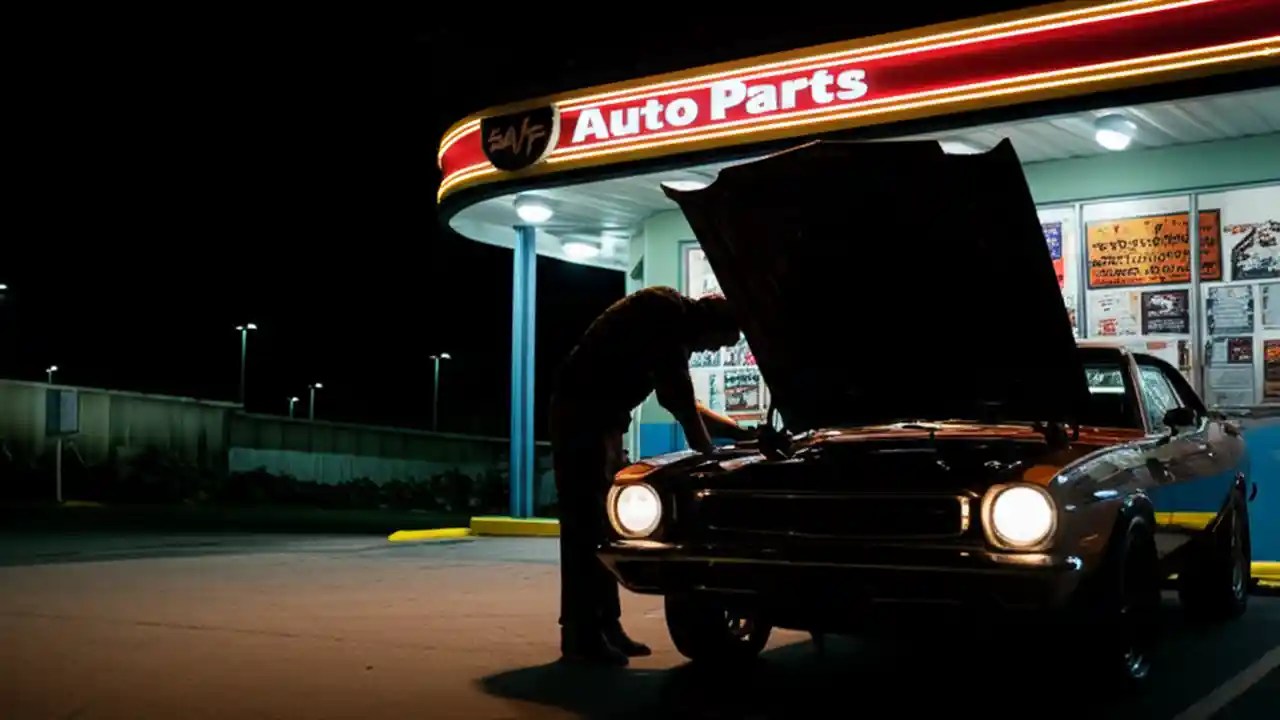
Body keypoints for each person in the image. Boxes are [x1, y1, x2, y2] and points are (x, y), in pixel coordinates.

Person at [549, 286, 750, 665]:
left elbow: (687, 403)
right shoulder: (666, 315)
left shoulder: (671, 316)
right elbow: (680, 403)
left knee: (603, 525)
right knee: (584, 526)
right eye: (718, 343)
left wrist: (739, 434)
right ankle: (580, 635)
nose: (710, 351)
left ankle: (607, 625)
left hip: (601, 420)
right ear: (711, 325)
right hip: (582, 419)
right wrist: (714, 458)